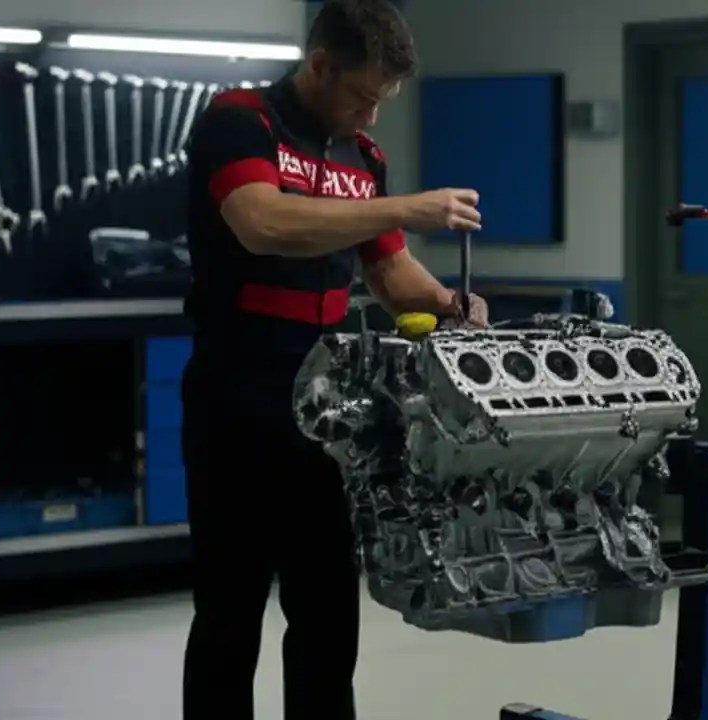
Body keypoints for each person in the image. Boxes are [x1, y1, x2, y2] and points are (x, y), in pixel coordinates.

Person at [178, 1, 486, 718]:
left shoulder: (363, 158)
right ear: (319, 65)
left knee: (326, 619)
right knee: (230, 616)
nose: (371, 119)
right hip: (237, 398)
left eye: (381, 103)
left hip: (327, 409)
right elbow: (264, 223)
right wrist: (403, 209)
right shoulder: (241, 121)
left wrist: (447, 303)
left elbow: (388, 274)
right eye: (363, 97)